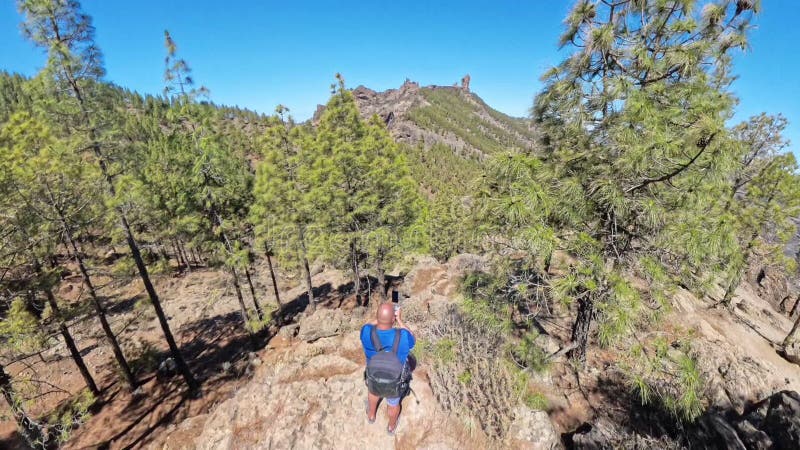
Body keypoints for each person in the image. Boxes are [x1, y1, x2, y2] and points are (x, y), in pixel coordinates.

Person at [360, 303, 415, 435]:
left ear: (377, 317)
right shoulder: (402, 336)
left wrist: (380, 318)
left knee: (373, 393)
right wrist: (399, 320)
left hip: (373, 375)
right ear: (393, 320)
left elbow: (368, 325)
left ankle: (371, 416)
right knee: (393, 403)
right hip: (394, 381)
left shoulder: (366, 332)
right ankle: (391, 427)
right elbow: (412, 338)